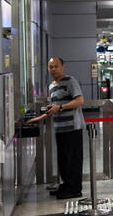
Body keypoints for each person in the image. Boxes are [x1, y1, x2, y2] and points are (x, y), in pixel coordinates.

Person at [29, 56, 85, 199]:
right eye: (51, 67)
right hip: (60, 129)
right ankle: (66, 185)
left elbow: (79, 100)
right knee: (63, 160)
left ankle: (74, 189)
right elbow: (53, 108)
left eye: (56, 66)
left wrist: (60, 107)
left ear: (62, 67)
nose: (53, 69)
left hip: (73, 127)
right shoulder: (51, 86)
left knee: (73, 159)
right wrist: (39, 118)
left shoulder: (71, 81)